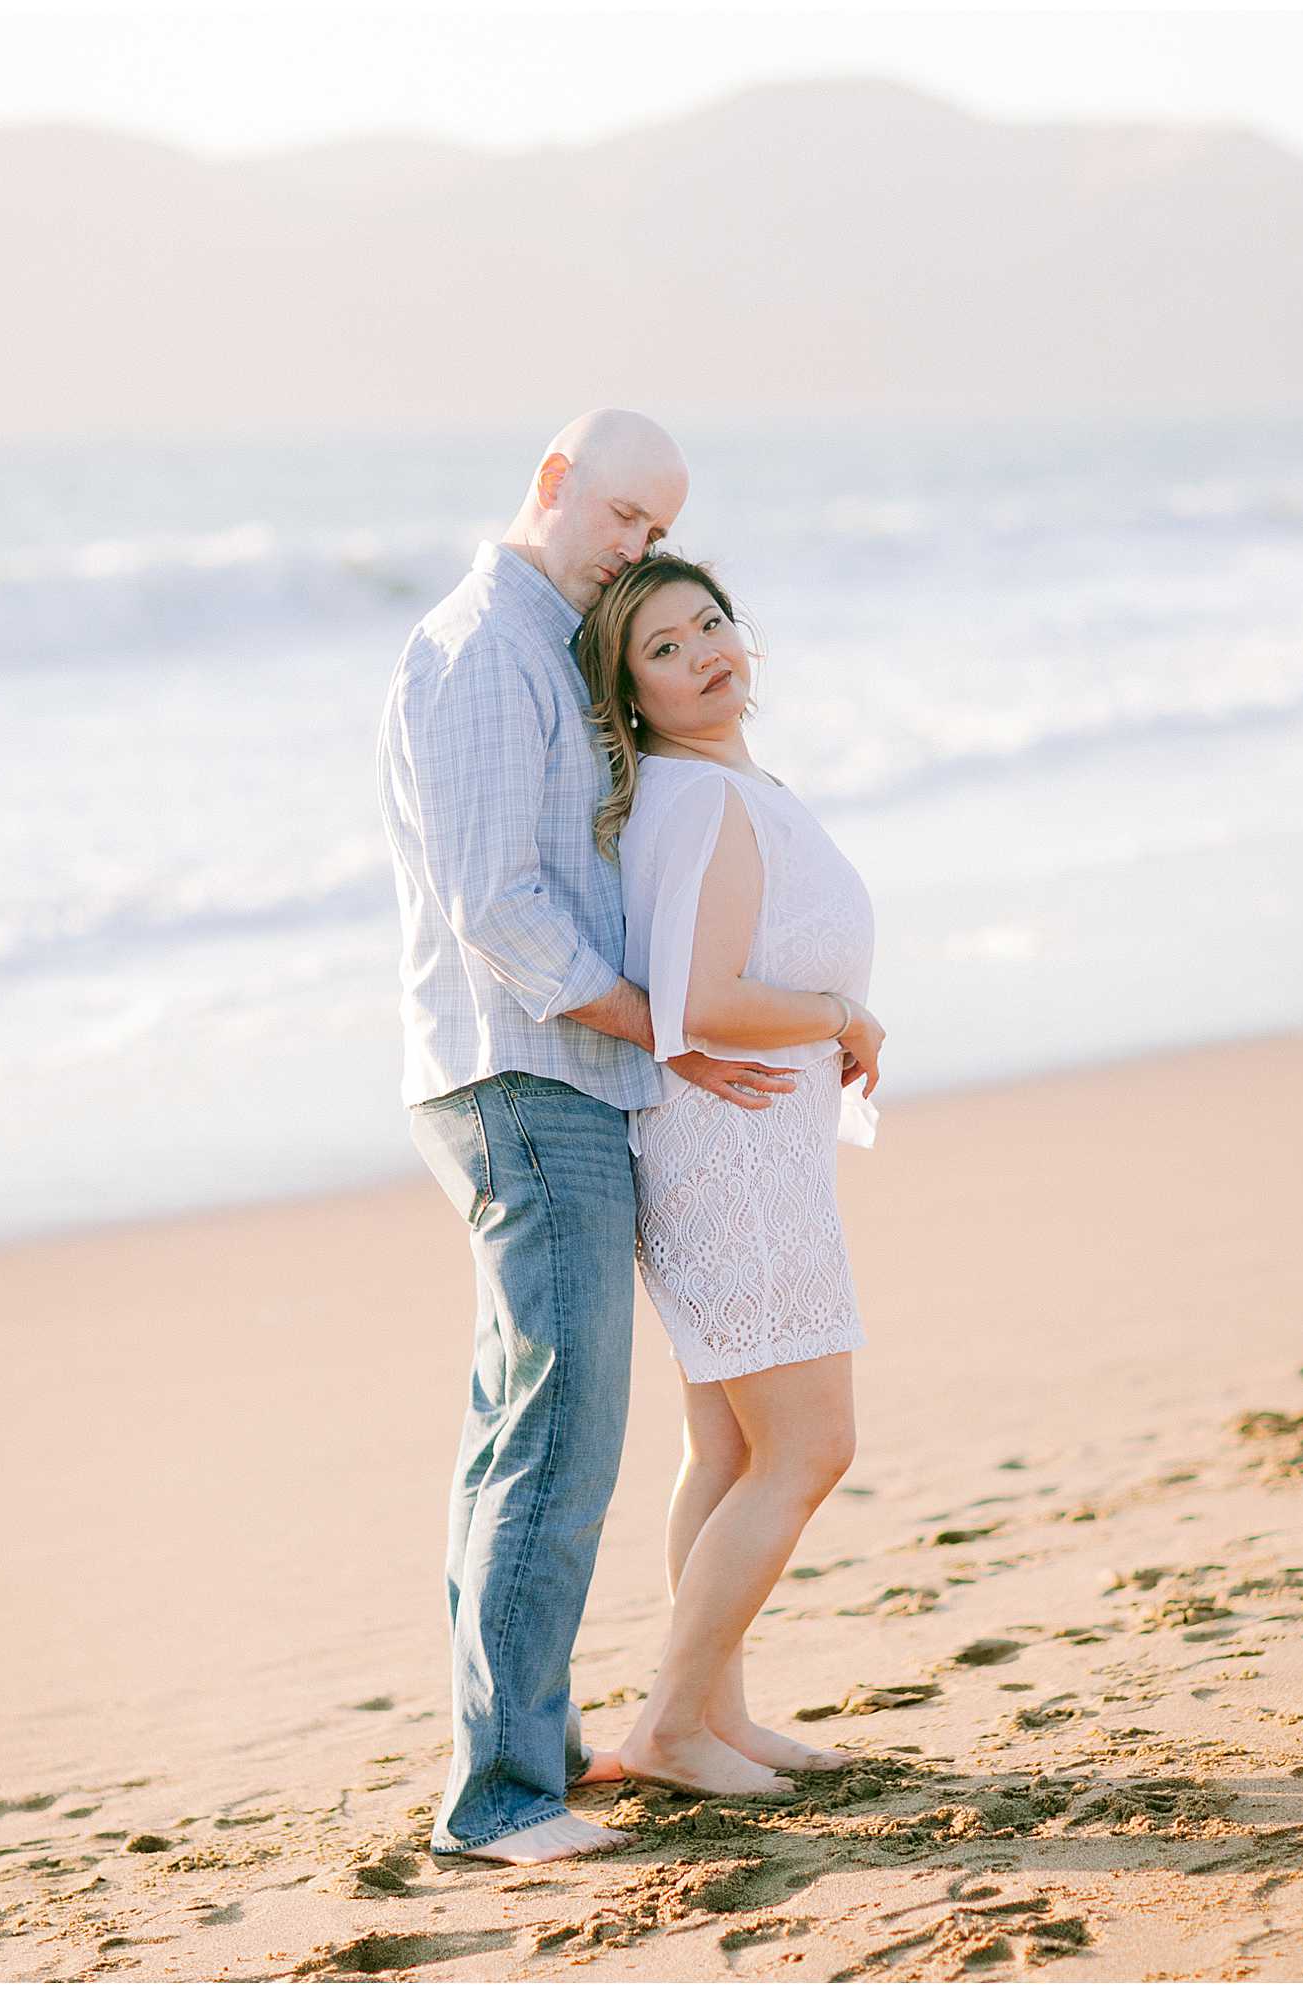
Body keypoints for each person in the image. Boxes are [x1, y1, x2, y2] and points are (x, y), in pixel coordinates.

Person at [375, 410, 808, 1866]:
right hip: (524, 1077)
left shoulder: (544, 641)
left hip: (551, 1075)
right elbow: (494, 904)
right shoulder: (481, 648)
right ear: (554, 482)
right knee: (559, 1437)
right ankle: (499, 1799)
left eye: (658, 529)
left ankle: (532, 1744)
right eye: (622, 516)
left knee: (519, 1429)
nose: (638, 548)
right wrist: (659, 1025)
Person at [574, 553, 884, 1798]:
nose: (703, 651)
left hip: (737, 1149)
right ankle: (669, 1725)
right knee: (808, 1446)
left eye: (710, 623)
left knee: (728, 1449)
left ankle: (715, 1717)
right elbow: (700, 1001)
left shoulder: (710, 786)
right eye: (663, 647)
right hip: (737, 1163)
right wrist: (843, 1016)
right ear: (629, 695)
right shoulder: (704, 799)